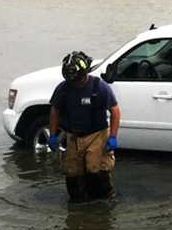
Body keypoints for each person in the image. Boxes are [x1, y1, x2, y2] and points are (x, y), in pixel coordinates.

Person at [48, 51, 121, 202]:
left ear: (84, 74)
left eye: (78, 80)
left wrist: (113, 137)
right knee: (72, 174)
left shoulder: (99, 87)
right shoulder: (63, 89)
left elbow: (115, 110)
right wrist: (53, 135)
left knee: (96, 171)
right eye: (72, 81)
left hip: (96, 135)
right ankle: (78, 206)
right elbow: (55, 111)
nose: (75, 84)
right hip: (73, 137)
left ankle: (103, 206)